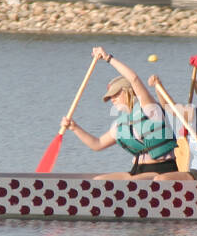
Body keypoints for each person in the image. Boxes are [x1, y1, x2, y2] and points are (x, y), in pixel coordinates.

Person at [60, 46, 178, 179]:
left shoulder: (148, 108)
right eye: (110, 97)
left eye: (116, 94)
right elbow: (97, 144)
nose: (112, 99)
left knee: (134, 182)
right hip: (137, 170)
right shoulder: (120, 124)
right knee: (98, 181)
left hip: (163, 170)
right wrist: (74, 127)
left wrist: (108, 58)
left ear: (129, 91)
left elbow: (133, 79)